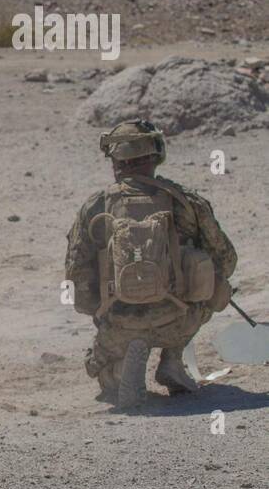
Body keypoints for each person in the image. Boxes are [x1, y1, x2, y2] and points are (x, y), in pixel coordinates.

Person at [64, 119, 237, 406]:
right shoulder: (186, 201)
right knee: (217, 286)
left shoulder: (95, 206)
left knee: (103, 376)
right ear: (157, 155)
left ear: (115, 160)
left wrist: (100, 314)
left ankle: (121, 361)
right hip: (178, 318)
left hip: (117, 323)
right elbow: (226, 260)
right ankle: (172, 358)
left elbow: (75, 276)